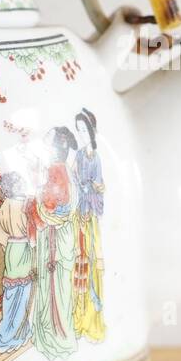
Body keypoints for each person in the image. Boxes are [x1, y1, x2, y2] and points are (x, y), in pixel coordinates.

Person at [32, 127, 79, 360]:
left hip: (55, 236)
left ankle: (55, 336)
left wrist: (39, 208)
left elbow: (54, 206)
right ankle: (59, 333)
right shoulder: (66, 171)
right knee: (59, 287)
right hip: (62, 234)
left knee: (54, 286)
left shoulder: (56, 171)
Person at [0, 172, 37, 353]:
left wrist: (8, 247)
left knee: (11, 295)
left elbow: (0, 235)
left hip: (11, 250)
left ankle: (6, 334)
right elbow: (32, 234)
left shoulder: (5, 205)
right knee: (22, 294)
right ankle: (15, 334)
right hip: (24, 248)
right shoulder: (25, 205)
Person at [71, 109, 106, 342]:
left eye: (83, 130)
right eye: (78, 130)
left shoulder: (96, 157)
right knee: (79, 262)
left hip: (90, 214)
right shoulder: (79, 156)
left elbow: (101, 186)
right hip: (80, 213)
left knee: (92, 261)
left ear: (91, 131)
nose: (81, 134)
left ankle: (93, 320)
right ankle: (79, 319)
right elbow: (74, 177)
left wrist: (92, 187)